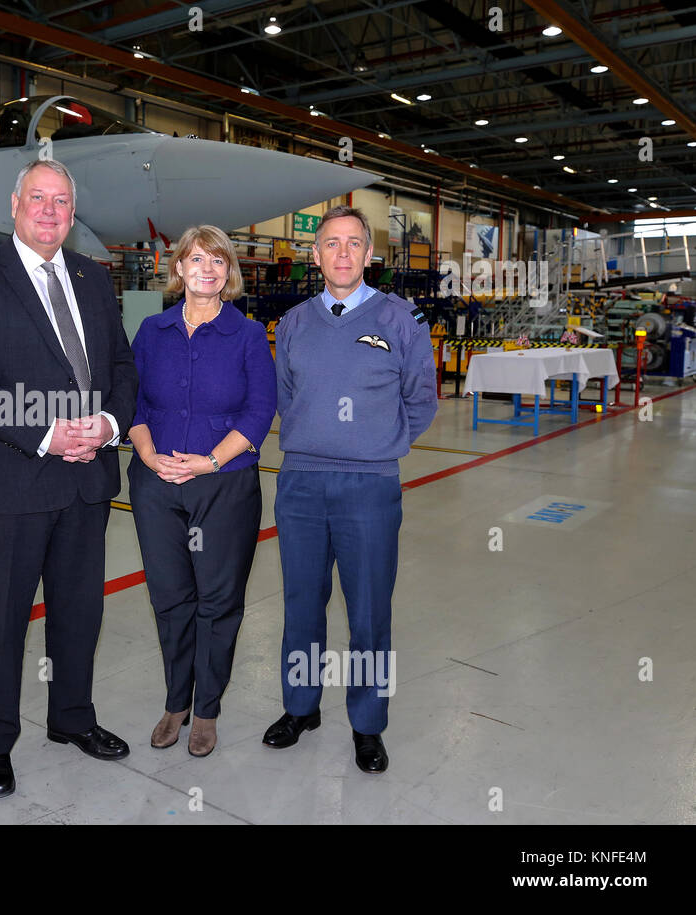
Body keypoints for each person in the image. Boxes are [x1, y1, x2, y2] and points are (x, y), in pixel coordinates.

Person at [0, 159, 139, 799]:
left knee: (79, 613)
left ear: (72, 215)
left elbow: (121, 366)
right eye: (38, 199)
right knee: (0, 621)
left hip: (87, 480)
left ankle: (71, 717)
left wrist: (107, 425)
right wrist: (47, 434)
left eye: (61, 202)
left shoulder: (92, 279)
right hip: (9, 482)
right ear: (15, 205)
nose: (49, 211)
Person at [264, 205, 437, 774]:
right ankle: (301, 707)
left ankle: (367, 724)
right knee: (301, 606)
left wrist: (377, 445)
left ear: (369, 255)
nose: (342, 252)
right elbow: (285, 399)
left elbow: (421, 400)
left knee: (368, 612)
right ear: (315, 256)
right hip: (301, 484)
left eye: (353, 243)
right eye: (331, 243)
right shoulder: (291, 324)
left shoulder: (402, 320)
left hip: (370, 485)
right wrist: (316, 439)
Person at [127, 225, 276, 757]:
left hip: (224, 487)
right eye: (196, 259)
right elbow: (133, 405)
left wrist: (210, 461)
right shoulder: (151, 331)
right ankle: (176, 701)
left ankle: (206, 708)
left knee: (217, 601)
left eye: (217, 260)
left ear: (228, 272)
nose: (207, 269)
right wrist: (148, 457)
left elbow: (259, 411)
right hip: (156, 485)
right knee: (170, 598)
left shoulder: (248, 335)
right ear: (180, 270)